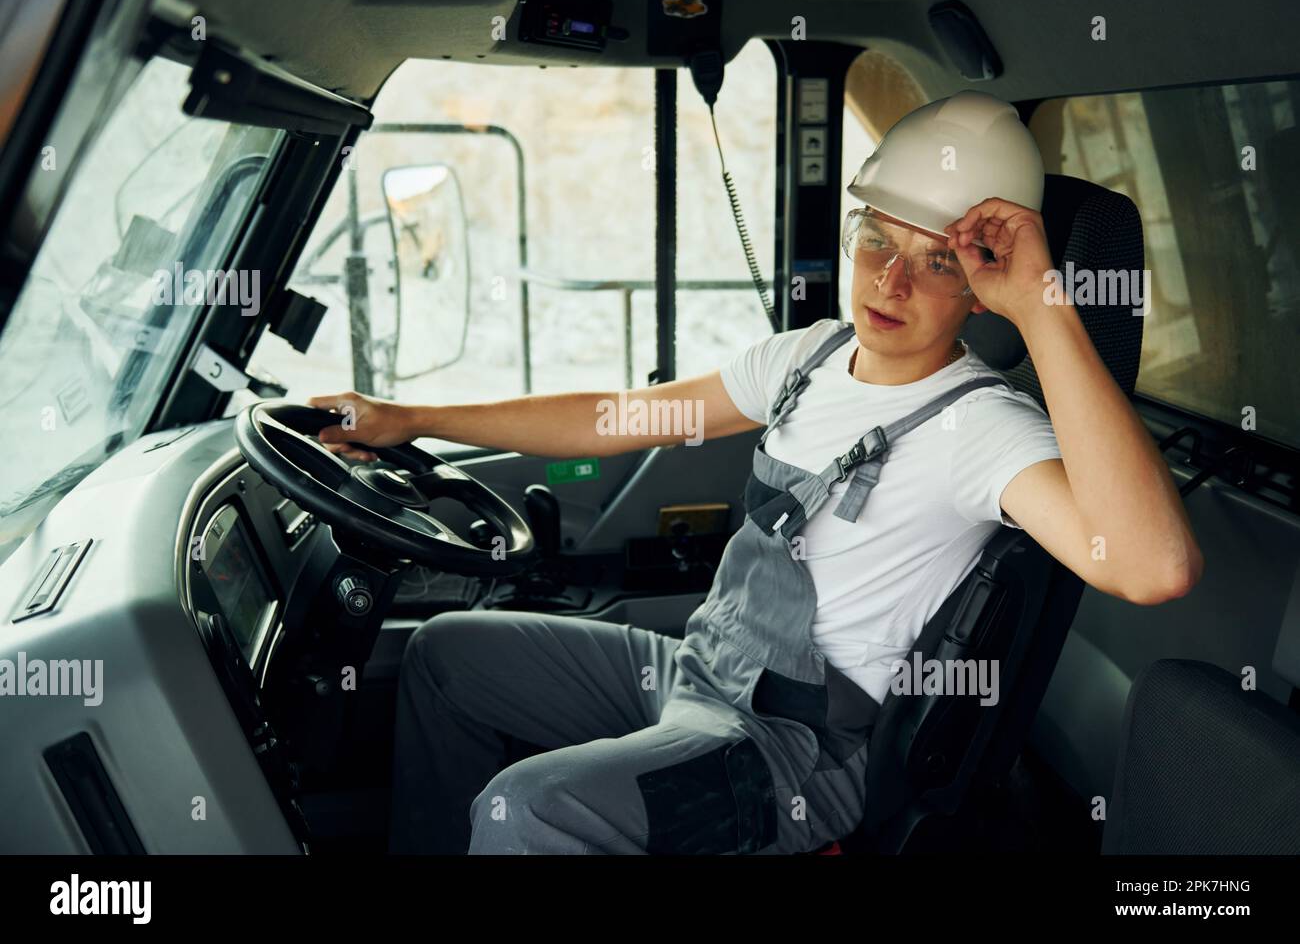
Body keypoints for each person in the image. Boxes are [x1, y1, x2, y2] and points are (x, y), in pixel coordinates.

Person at [308, 91, 1203, 855]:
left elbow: (1152, 567)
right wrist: (410, 417)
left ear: (983, 284)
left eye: (936, 261)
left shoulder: (984, 427)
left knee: (524, 808)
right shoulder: (808, 359)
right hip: (698, 671)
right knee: (443, 658)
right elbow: (618, 418)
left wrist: (1045, 310)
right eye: (875, 241)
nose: (890, 281)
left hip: (790, 751)